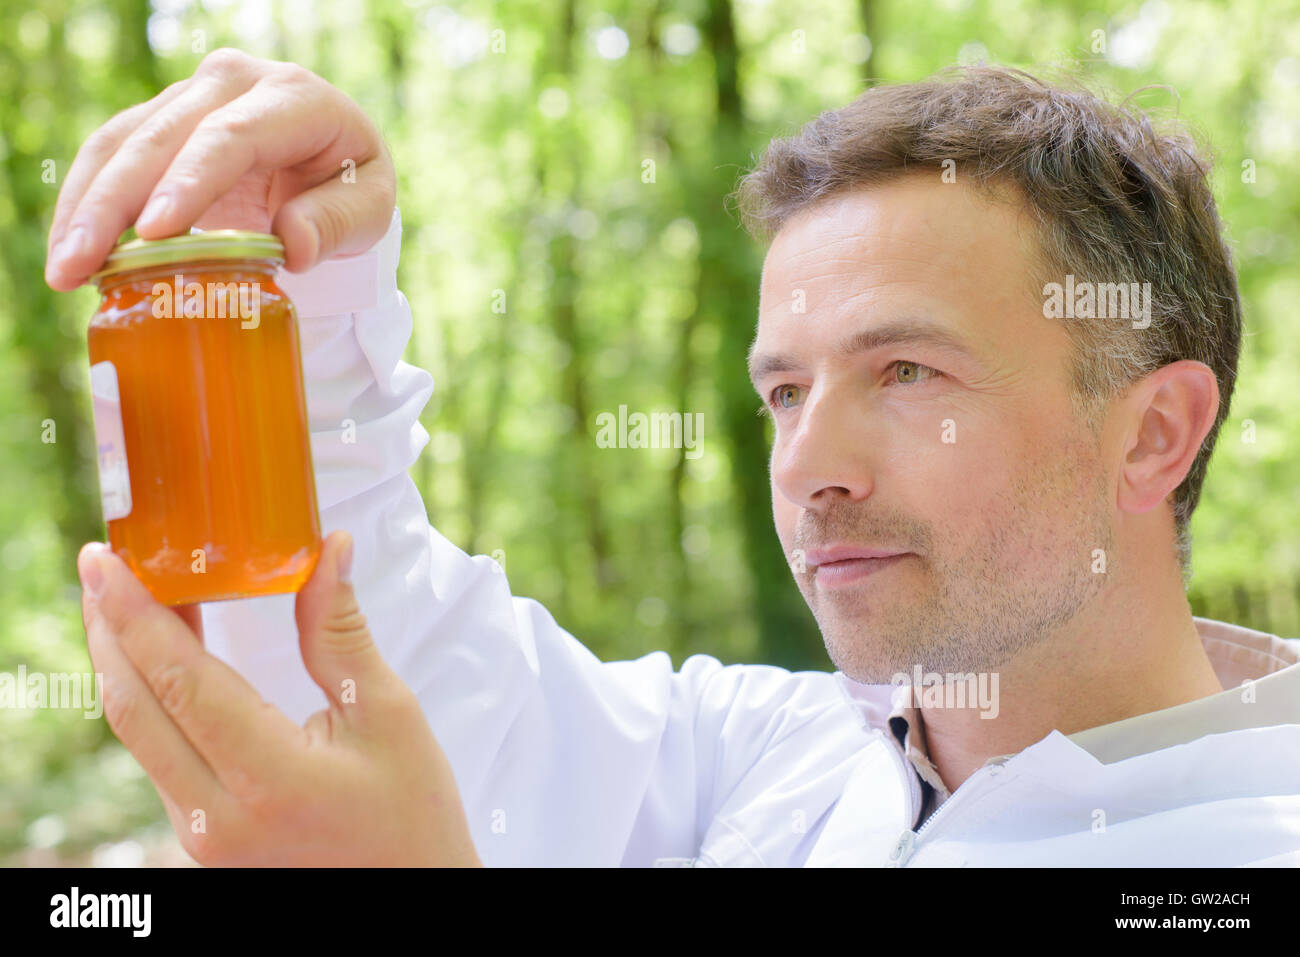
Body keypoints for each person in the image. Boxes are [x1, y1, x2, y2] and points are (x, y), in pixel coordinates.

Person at [48, 50, 1300, 867]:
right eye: (784, 390)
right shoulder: (777, 758)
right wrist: (312, 295)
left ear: (1151, 433)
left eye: (906, 374)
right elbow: (401, 675)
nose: (812, 465)